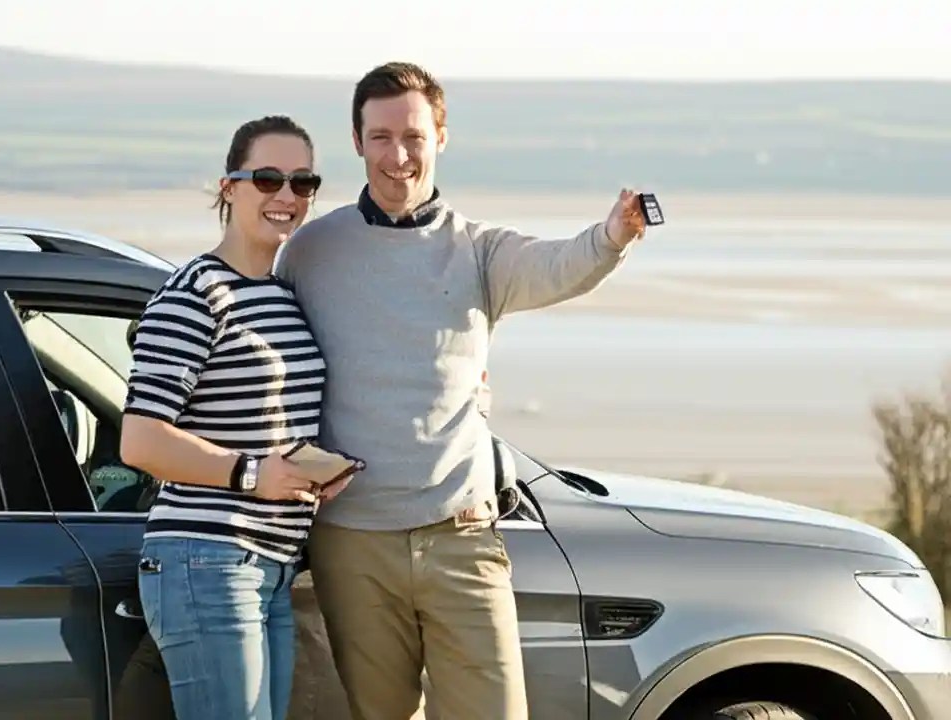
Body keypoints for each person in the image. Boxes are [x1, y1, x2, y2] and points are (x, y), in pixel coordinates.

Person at [274, 62, 650, 720]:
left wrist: (613, 236)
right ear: (358, 141)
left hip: (462, 536)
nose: (398, 156)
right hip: (352, 543)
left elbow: (558, 266)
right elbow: (268, 366)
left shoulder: (478, 251)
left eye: (414, 137)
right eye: (382, 136)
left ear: (440, 137)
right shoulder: (310, 251)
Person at [119, 114, 332, 720]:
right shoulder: (195, 292)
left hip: (272, 565)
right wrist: (251, 474)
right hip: (207, 562)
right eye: (266, 179)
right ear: (228, 187)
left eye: (302, 182)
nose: (285, 196)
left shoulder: (284, 296)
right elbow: (140, 439)